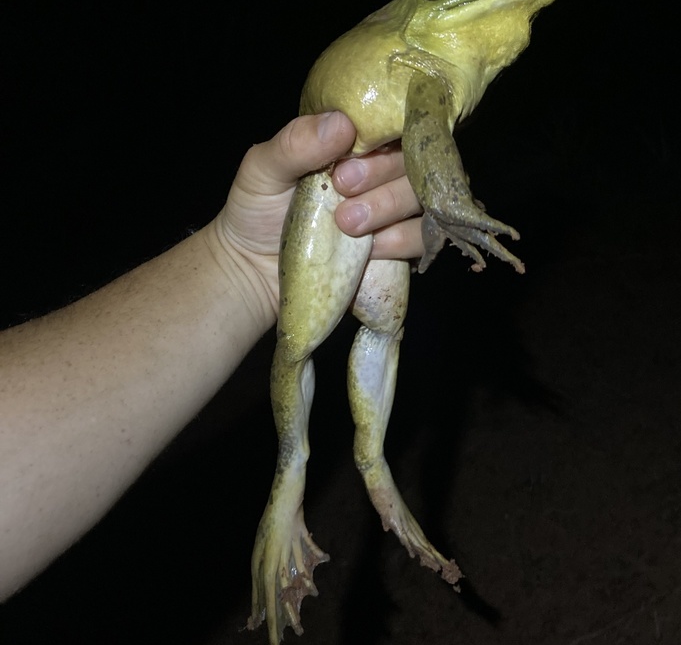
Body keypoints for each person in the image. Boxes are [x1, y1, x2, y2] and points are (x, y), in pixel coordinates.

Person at [0, 111, 424, 601]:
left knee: (374, 332)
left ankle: (368, 468)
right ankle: (323, 467)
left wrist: (242, 259)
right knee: (300, 353)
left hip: (315, 248)